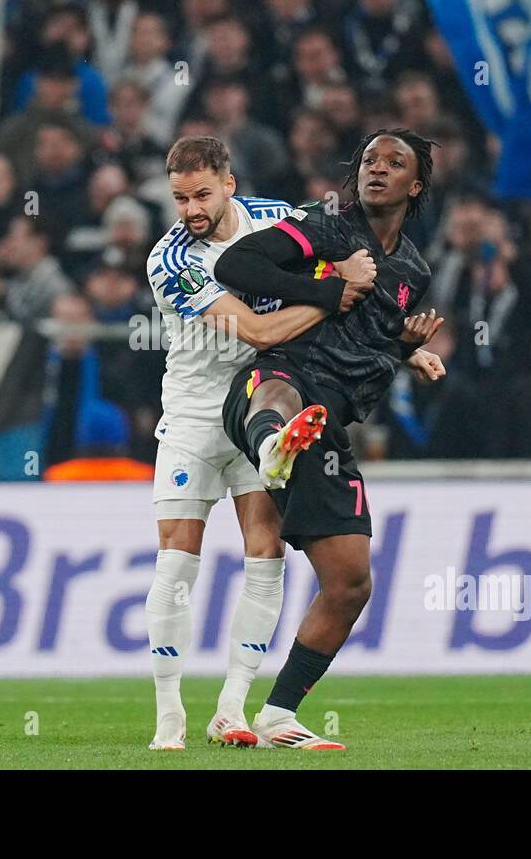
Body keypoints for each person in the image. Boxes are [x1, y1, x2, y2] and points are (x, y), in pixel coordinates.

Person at [214, 129, 446, 749]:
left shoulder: (412, 272)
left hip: (328, 425)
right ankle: (273, 444)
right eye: (370, 159)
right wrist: (328, 283)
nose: (377, 169)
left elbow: (367, 340)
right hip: (274, 381)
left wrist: (404, 349)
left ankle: (277, 715)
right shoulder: (328, 226)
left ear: (414, 185)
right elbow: (234, 264)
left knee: (350, 582)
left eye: (394, 164)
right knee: (281, 392)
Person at [142, 136, 376, 750]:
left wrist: (402, 338)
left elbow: (353, 257)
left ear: (229, 184)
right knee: (175, 564)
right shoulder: (170, 260)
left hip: (258, 402)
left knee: (264, 556)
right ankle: (169, 714)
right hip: (193, 415)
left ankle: (233, 708)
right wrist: (335, 293)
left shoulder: (278, 221)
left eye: (200, 194)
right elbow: (255, 327)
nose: (190, 209)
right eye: (178, 198)